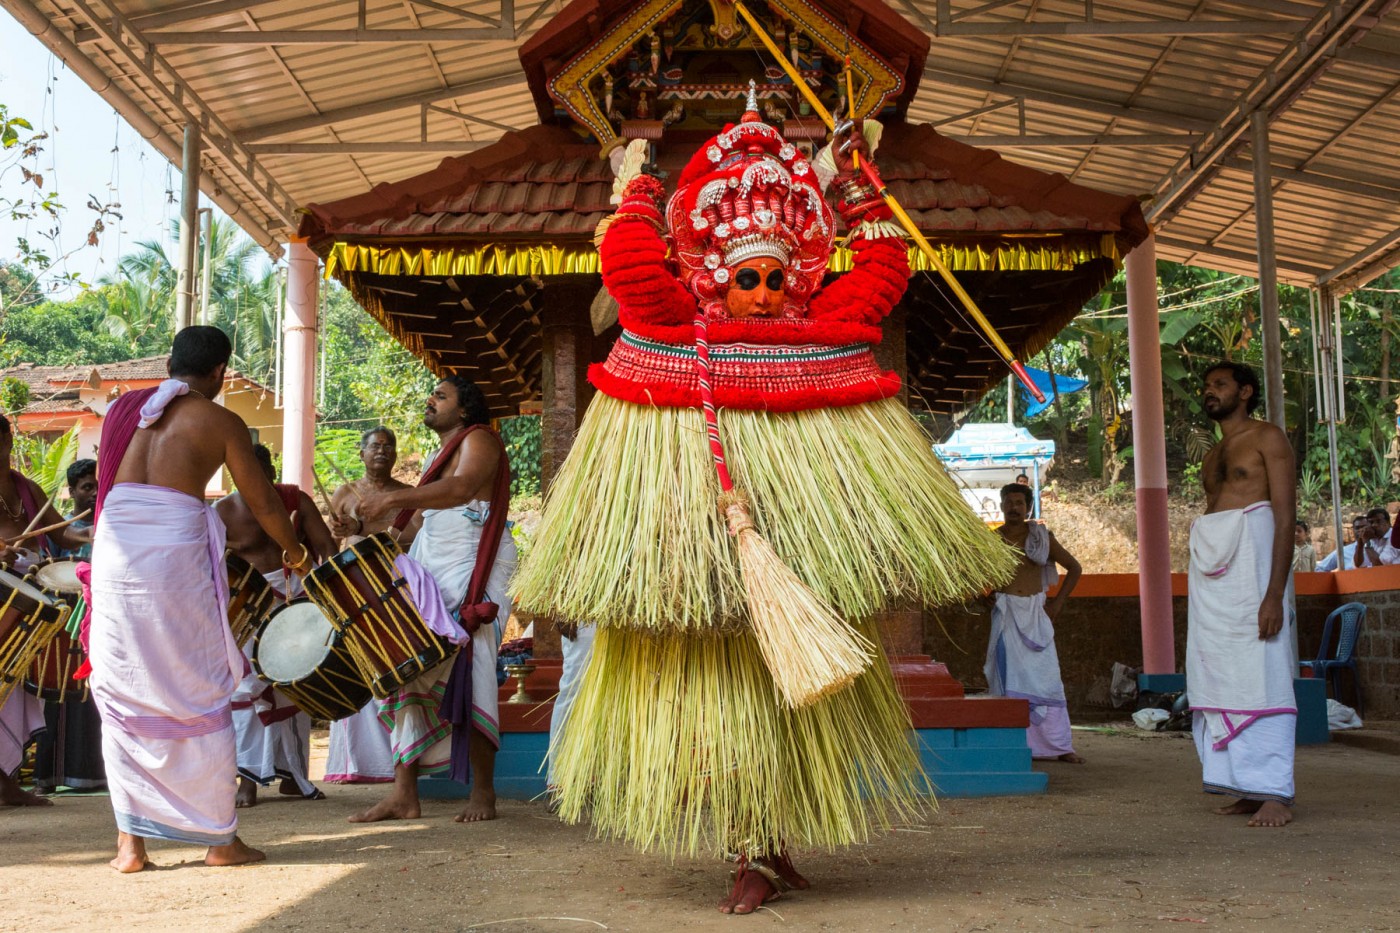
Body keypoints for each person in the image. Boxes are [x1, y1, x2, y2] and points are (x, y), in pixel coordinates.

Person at [510, 95, 1016, 914]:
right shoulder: (681, 325)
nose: (764, 295)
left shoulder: (816, 325)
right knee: (727, 693)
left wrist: (857, 187)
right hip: (706, 550)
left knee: (793, 696)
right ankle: (749, 848)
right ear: (715, 273)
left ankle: (773, 844)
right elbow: (634, 274)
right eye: (747, 279)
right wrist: (635, 187)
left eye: (778, 278)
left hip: (798, 563)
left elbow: (885, 272)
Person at [88, 326, 311, 872]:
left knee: (125, 687)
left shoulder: (123, 411)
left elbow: (106, 484)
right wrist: (295, 553)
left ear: (171, 362)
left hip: (115, 552)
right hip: (171, 558)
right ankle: (219, 841)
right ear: (219, 372)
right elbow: (260, 501)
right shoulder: (221, 421)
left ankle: (130, 846)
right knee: (201, 684)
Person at [349, 377, 516, 824]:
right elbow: (413, 530)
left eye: (441, 396)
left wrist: (391, 497)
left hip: (473, 564)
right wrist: (365, 533)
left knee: (473, 664)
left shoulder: (481, 439)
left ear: (463, 410)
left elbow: (462, 491)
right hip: (434, 565)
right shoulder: (436, 457)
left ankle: (484, 792)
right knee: (406, 663)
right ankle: (404, 794)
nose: (430, 400)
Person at [1190, 361, 1296, 828]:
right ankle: (1244, 785)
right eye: (1206, 386)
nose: (1209, 392)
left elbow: (1286, 515)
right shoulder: (1212, 455)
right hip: (1214, 577)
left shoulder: (1268, 437)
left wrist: (1274, 594)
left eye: (1219, 384)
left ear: (1246, 391)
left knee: (1262, 667)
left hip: (1254, 570)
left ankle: (1275, 792)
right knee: (1215, 670)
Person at [215, 444, 336, 808]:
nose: (255, 476)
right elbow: (211, 564)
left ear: (271, 468)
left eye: (261, 468)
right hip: (247, 606)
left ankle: (292, 777)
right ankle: (247, 779)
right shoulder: (220, 512)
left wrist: (325, 592)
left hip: (296, 600)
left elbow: (326, 547)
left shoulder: (295, 500)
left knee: (294, 686)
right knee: (246, 692)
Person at [0, 413, 88, 808]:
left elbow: (62, 532)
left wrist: (92, 531)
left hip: (27, 597)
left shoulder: (28, 489)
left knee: (17, 688)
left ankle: (5, 782)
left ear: (6, 443)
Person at [322, 426, 408, 785]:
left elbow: (414, 536)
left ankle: (396, 760)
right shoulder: (344, 492)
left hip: (396, 586)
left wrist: (365, 527)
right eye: (375, 446)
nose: (382, 452)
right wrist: (343, 529)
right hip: (354, 588)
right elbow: (331, 540)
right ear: (361, 453)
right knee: (359, 665)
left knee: (393, 663)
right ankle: (357, 762)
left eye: (389, 447)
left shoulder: (408, 495)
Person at [984, 483, 1083, 763]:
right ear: (1001, 506)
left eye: (1019, 503)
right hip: (1006, 615)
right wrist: (983, 598)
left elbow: (1075, 568)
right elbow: (974, 576)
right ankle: (1014, 745)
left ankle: (1059, 747)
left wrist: (1058, 602)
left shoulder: (1041, 538)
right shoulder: (992, 540)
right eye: (1009, 502)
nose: (1014, 508)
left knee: (1048, 679)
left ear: (1027, 508)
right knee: (1008, 679)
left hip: (1036, 616)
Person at [32, 459, 107, 794]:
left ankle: (96, 774)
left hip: (101, 621)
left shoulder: (111, 524)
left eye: (96, 486)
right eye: (85, 487)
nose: (91, 493)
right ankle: (52, 775)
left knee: (97, 695)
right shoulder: (58, 530)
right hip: (65, 626)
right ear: (72, 491)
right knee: (60, 694)